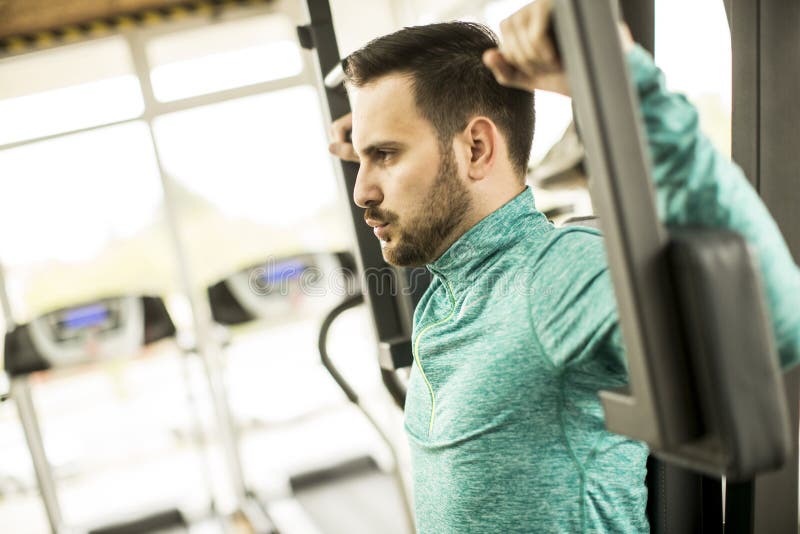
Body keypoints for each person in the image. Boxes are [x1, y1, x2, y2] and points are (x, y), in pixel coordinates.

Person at [329, 0, 800, 531]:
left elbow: (771, 326)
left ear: (477, 149)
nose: (361, 190)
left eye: (386, 155)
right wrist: (384, 139)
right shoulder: (449, 288)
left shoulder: (556, 276)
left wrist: (631, 83)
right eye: (364, 158)